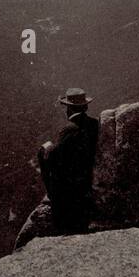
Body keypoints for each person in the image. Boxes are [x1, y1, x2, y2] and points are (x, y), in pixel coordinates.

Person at [37, 88, 99, 235]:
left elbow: (56, 159)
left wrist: (47, 148)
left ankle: (53, 198)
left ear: (69, 109)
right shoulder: (94, 124)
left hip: (70, 185)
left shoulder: (69, 129)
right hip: (85, 177)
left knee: (42, 152)